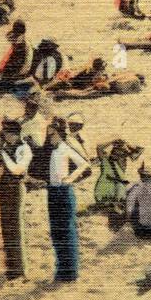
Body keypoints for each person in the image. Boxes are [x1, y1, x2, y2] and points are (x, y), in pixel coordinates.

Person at [44, 116, 92, 282]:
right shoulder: (53, 150)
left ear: (59, 133)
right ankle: (62, 269)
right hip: (52, 191)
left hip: (63, 192)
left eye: (51, 135)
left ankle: (70, 271)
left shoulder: (65, 148)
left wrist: (71, 179)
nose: (49, 138)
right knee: (56, 231)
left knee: (67, 231)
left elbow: (85, 165)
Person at [0, 117, 33, 279]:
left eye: (5, 133)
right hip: (4, 188)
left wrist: (4, 155)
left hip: (15, 188)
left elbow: (16, 169)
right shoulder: (7, 146)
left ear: (13, 133)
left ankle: (21, 270)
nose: (3, 135)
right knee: (7, 229)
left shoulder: (24, 149)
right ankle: (12, 269)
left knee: (16, 229)